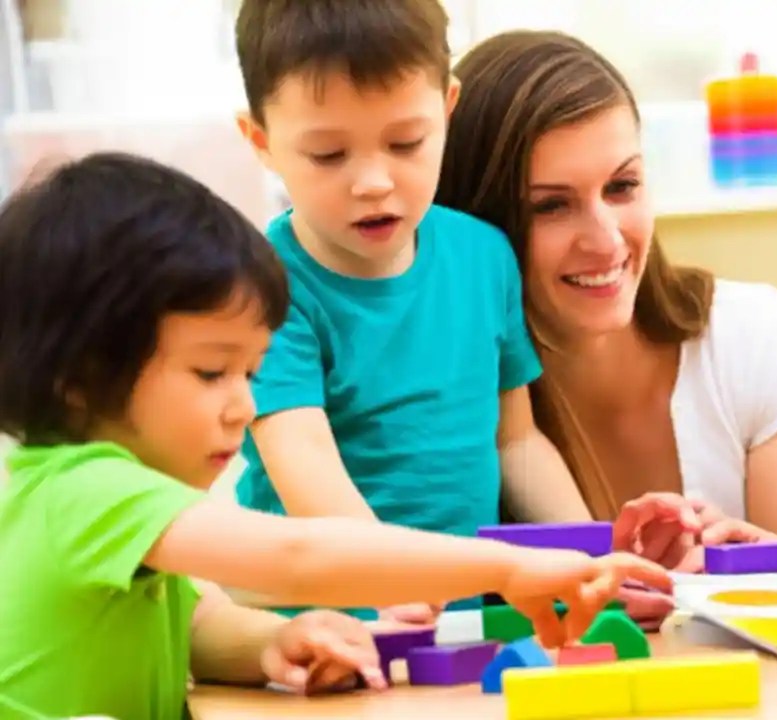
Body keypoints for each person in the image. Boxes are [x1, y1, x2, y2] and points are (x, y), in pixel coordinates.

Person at [0, 152, 669, 718]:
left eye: (251, 372)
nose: (243, 406)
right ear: (80, 380)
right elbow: (296, 553)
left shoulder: (133, 513)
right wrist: (509, 565)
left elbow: (201, 626)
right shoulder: (82, 491)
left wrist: (270, 644)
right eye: (210, 373)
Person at [435, 30, 777, 576]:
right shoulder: (442, 389)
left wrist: (749, 574)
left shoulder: (761, 343)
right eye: (551, 206)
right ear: (471, 222)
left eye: (622, 186)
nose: (606, 240)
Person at [230, 1, 591, 622]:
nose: (372, 181)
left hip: (464, 616)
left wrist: (590, 554)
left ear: (447, 109)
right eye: (327, 155)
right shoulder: (263, 285)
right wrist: (391, 587)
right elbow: (306, 463)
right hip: (324, 624)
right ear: (260, 141)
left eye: (406, 142)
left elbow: (517, 441)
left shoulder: (484, 255)